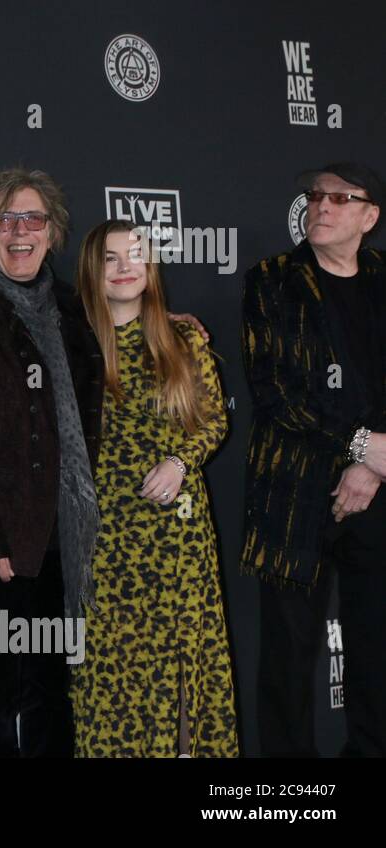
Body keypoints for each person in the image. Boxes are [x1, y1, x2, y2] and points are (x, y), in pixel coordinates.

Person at [0, 167, 102, 757]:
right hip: (2, 547)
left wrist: (176, 325)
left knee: (53, 690)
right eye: (7, 219)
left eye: (34, 218)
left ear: (53, 233)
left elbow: (134, 334)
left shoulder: (75, 310)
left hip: (64, 538)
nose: (21, 231)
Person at [69, 219, 237, 757]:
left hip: (179, 538)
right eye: (111, 259)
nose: (124, 268)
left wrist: (180, 462)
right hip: (106, 539)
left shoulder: (182, 337)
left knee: (183, 663)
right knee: (112, 668)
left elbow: (212, 421)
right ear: (93, 271)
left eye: (134, 256)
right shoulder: (74, 344)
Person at [242, 162, 386, 757]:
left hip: (376, 490)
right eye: (316, 196)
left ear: (369, 216)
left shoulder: (383, 278)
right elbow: (275, 389)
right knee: (288, 659)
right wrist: (360, 445)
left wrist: (371, 463)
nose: (322, 207)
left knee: (376, 650)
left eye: (340, 198)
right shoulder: (270, 280)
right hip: (292, 497)